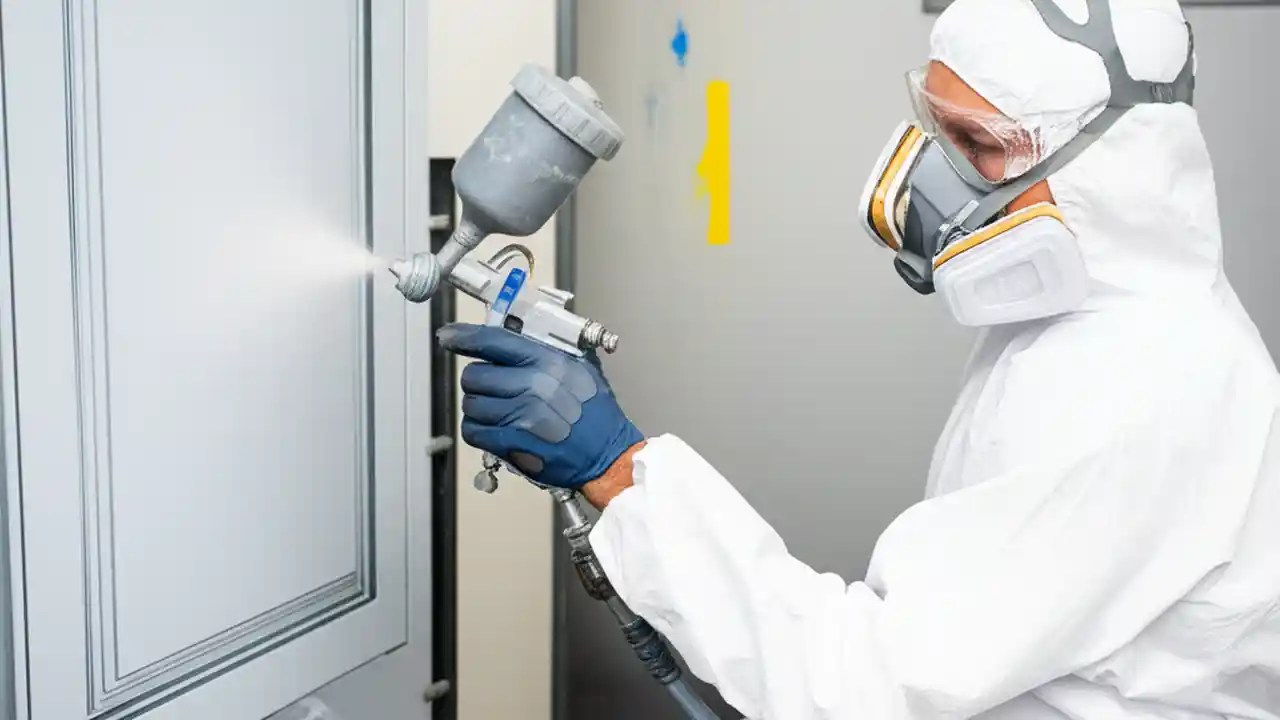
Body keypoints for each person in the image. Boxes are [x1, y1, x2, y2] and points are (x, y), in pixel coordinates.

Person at [439, 0, 1280, 717]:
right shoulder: (1087, 321)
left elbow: (865, 686)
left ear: (1111, 172)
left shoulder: (1143, 388)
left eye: (975, 145)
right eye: (932, 127)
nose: (932, 179)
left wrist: (620, 474)